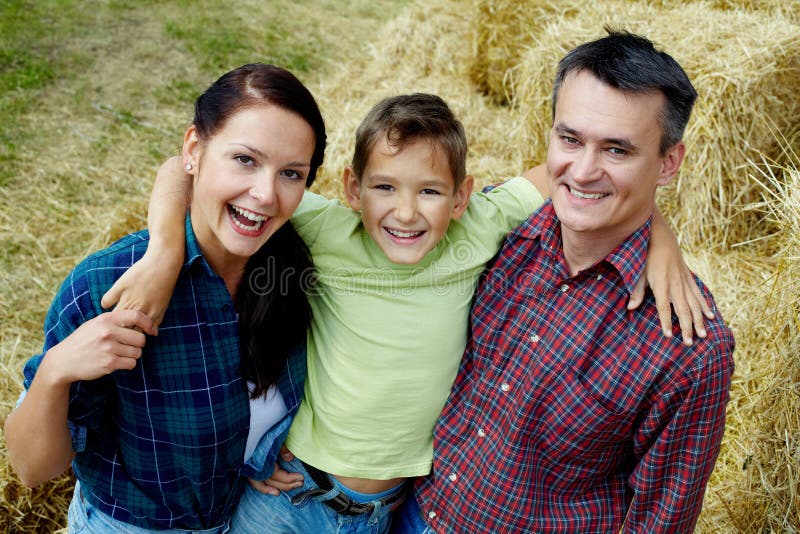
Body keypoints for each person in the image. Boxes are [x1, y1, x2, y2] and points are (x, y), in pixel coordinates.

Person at [106, 91, 710, 533]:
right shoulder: (331, 230)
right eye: (385, 187)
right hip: (292, 497)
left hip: (392, 511)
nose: (405, 212)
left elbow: (580, 178)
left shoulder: (480, 226)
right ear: (352, 189)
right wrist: (164, 252)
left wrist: (659, 233)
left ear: (462, 197)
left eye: (430, 191)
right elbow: (183, 170)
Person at [396, 30, 735, 533]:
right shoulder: (498, 233)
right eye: (570, 139)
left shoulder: (688, 345)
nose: (583, 170)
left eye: (617, 150)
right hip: (410, 511)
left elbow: (659, 521)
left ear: (668, 163)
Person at [3, 63, 327, 532]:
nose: (265, 194)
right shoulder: (110, 283)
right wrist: (55, 372)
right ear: (195, 149)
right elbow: (33, 469)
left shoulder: (298, 263)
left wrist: (256, 457)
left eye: (291, 173)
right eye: (245, 160)